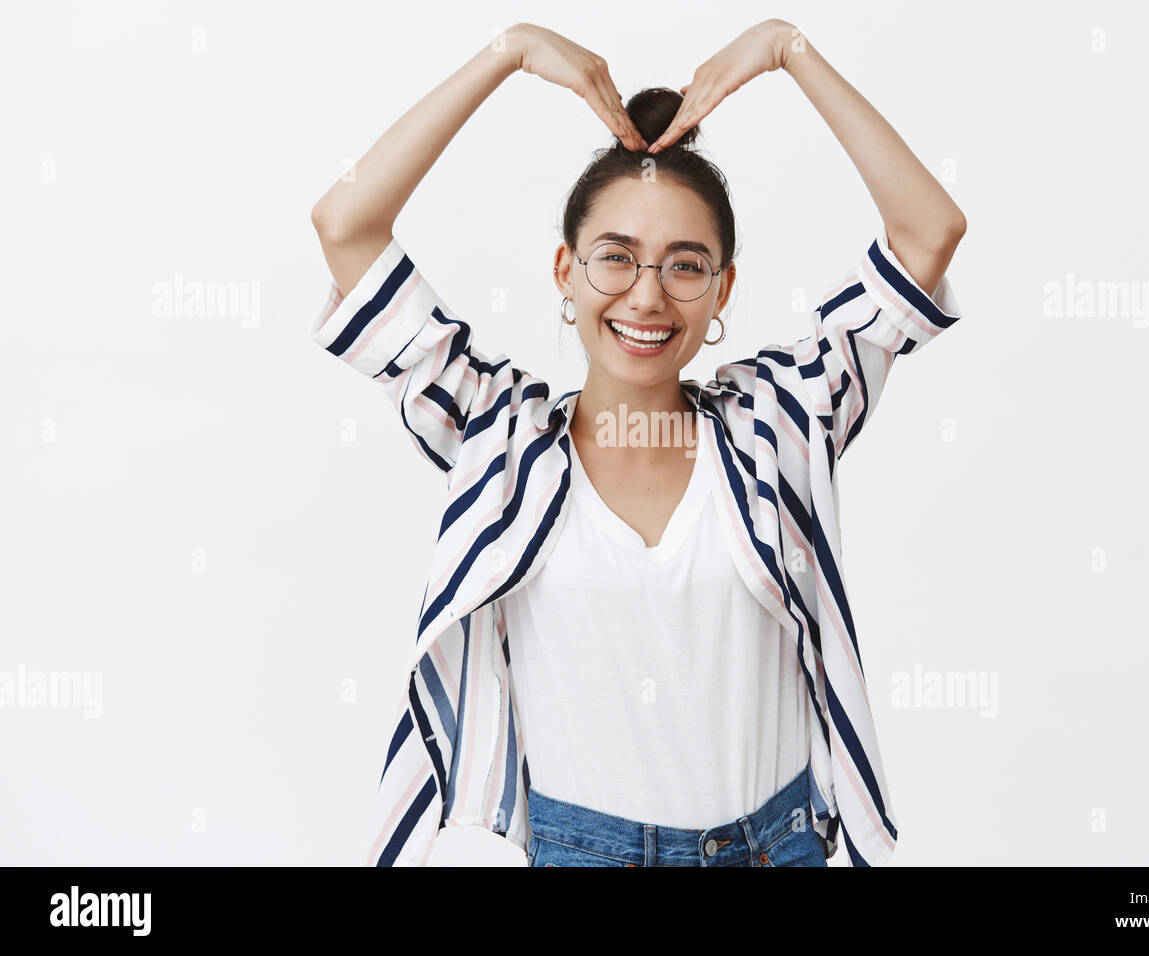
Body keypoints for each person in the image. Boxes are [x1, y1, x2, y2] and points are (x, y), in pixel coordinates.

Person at [309, 19, 965, 867]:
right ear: (565, 271)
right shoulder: (499, 437)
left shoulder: (781, 423)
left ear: (723, 285)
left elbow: (928, 232)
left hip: (774, 848)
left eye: (685, 264)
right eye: (615, 257)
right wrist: (507, 53)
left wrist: (787, 50)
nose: (647, 296)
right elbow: (344, 224)